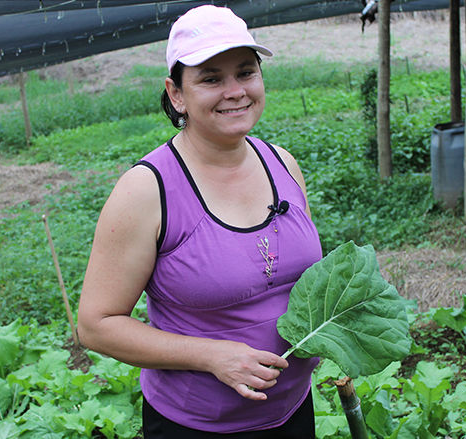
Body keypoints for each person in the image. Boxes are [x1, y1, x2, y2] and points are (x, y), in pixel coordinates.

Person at [76, 5, 322, 438]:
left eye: (246, 72)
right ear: (176, 93)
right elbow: (97, 325)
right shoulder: (147, 190)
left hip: (293, 412)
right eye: (211, 78)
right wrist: (213, 356)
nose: (235, 91)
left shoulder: (282, 164)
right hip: (195, 425)